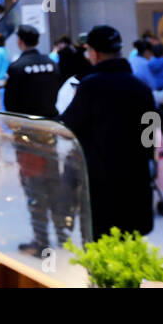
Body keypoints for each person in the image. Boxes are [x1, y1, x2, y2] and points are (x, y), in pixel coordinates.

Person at [61, 25, 156, 238]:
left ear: (94, 53)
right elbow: (150, 136)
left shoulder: (90, 86)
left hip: (101, 188)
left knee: (101, 252)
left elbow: (68, 125)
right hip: (136, 185)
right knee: (130, 251)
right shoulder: (141, 87)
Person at [4, 25, 62, 255]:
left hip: (27, 136)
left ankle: (41, 241)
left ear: (19, 41)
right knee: (52, 183)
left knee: (33, 187)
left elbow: (11, 106)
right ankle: (61, 233)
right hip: (50, 133)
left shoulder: (17, 68)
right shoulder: (52, 64)